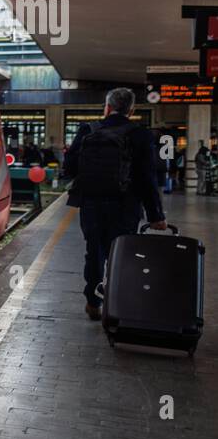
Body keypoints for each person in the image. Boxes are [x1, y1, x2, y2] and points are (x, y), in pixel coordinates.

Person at [64, 88, 166, 320]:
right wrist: (156, 215)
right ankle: (117, 304)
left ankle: (93, 301)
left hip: (91, 204)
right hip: (125, 207)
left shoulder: (88, 130)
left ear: (107, 107)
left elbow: (69, 167)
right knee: (121, 255)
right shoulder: (140, 135)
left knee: (95, 252)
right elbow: (147, 178)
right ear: (132, 110)